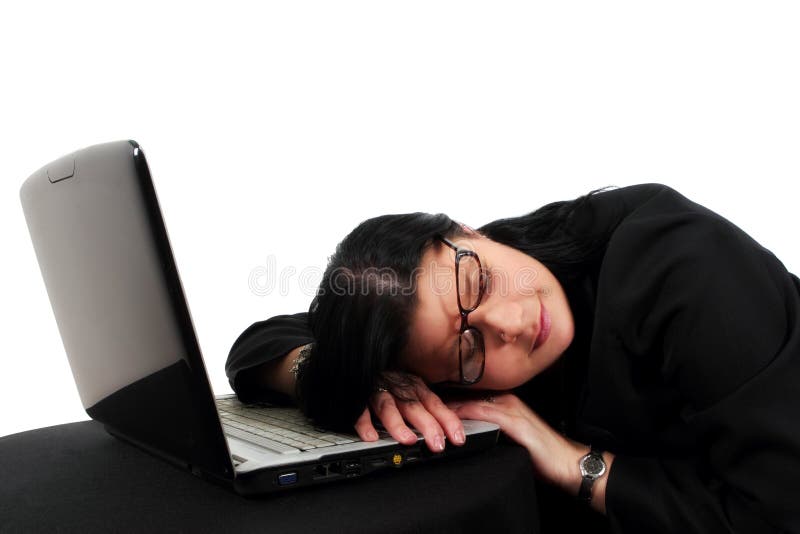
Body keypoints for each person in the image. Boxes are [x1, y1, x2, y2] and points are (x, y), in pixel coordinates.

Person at [225, 183, 800, 534]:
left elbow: (776, 518)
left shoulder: (685, 268)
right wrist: (353, 378)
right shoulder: (448, 291)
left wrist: (577, 463)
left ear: (465, 231)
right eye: (466, 349)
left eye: (477, 280)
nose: (513, 323)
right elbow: (259, 343)